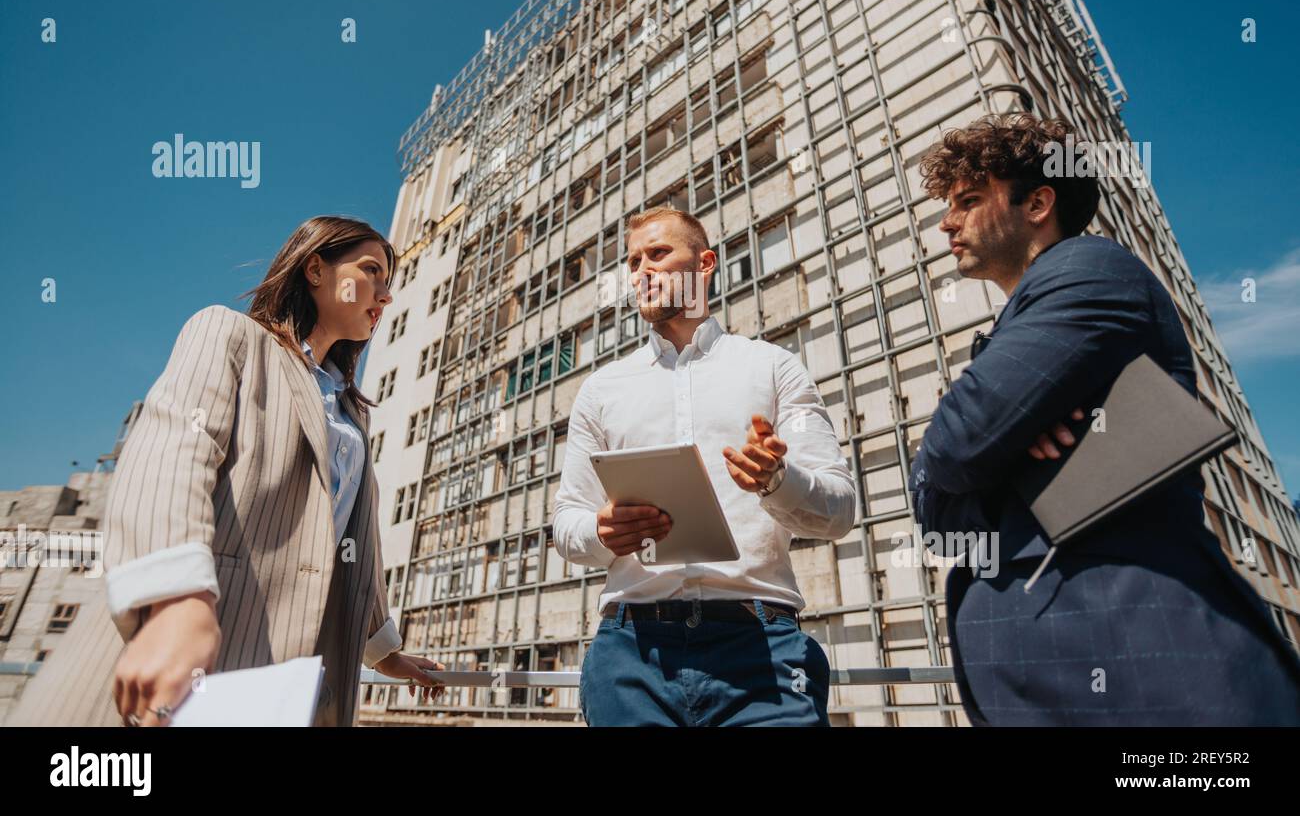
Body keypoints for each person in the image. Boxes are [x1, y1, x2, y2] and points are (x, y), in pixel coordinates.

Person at [909, 112, 1300, 725]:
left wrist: (987, 457)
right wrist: (999, 448)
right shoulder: (1008, 331)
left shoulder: (1088, 269)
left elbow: (957, 443)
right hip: (1044, 681)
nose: (946, 222)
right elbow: (935, 513)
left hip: (1139, 667)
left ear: (1038, 203)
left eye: (969, 200)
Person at [9, 215, 444, 727]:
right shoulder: (232, 336)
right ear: (315, 269)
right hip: (187, 643)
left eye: (390, 283)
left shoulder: (353, 414)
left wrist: (384, 652)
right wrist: (177, 600)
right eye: (372, 270)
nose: (385, 295)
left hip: (279, 686)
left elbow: (353, 543)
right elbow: (172, 454)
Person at [552, 206, 856, 726]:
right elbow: (566, 525)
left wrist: (778, 481)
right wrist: (603, 531)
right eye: (633, 261)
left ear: (706, 263)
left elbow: (839, 510)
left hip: (762, 650)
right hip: (631, 655)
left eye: (658, 253)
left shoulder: (774, 367)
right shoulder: (601, 390)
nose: (641, 271)